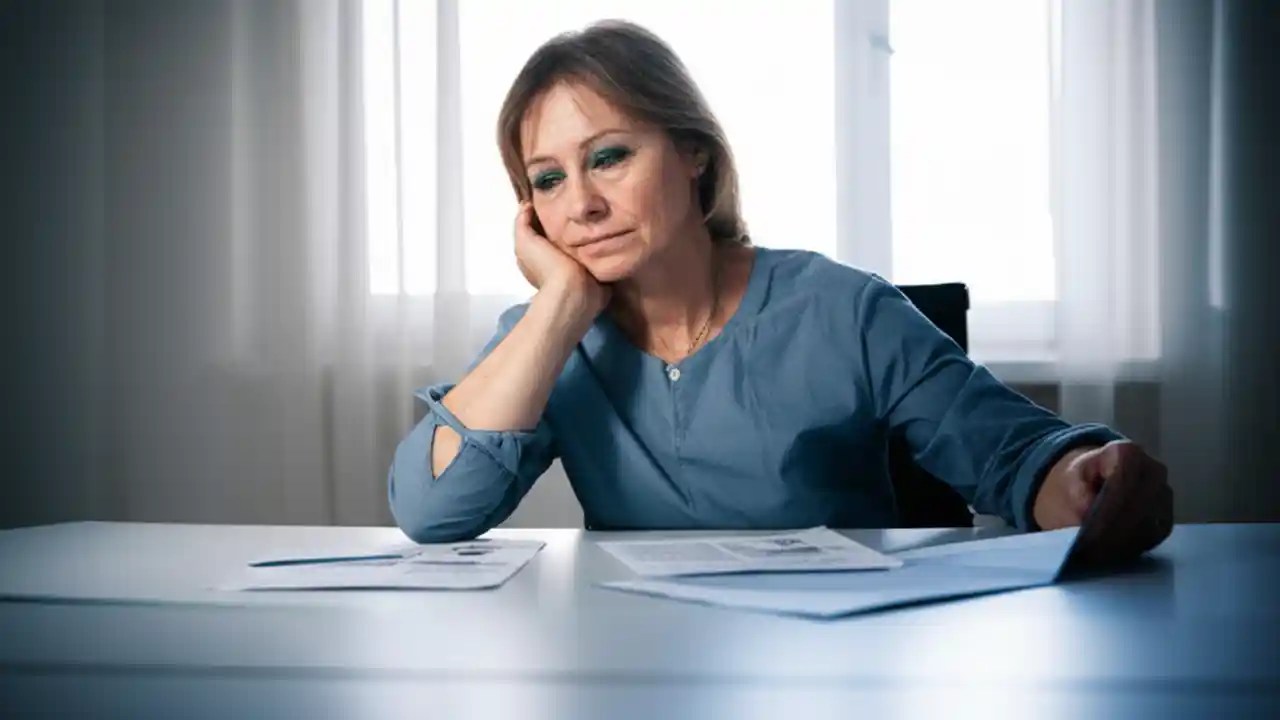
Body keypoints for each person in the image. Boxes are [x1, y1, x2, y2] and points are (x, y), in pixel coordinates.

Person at [387, 20, 1173, 562]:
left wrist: (1080, 479)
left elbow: (1016, 457)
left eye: (609, 157)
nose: (582, 205)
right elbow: (432, 513)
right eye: (548, 179)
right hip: (642, 662)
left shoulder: (842, 308)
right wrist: (559, 305)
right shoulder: (549, 340)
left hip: (835, 666)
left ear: (692, 152)